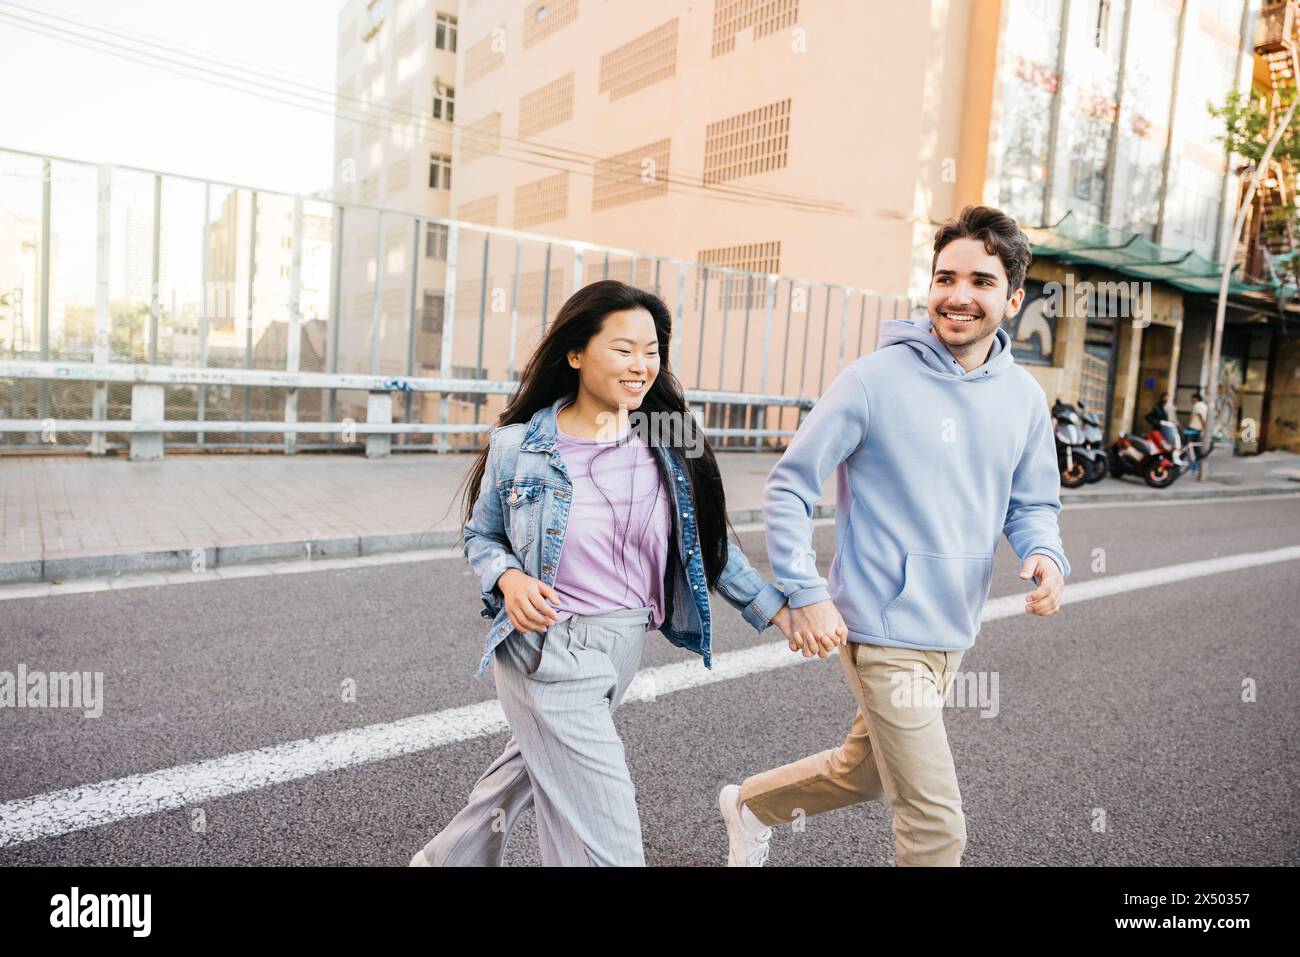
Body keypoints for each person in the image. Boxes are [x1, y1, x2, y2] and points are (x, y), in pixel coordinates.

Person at [717, 205, 1071, 867]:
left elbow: (1031, 502)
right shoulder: (874, 380)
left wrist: (1045, 554)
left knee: (866, 770)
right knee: (937, 829)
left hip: (952, 628)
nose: (958, 295)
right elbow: (790, 485)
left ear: (1013, 298)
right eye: (945, 278)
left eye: (981, 282)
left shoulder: (1022, 397)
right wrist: (806, 590)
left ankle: (749, 806)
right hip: (881, 628)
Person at [410, 279, 792, 867]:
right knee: (606, 834)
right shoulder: (521, 447)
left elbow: (708, 544)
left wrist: (778, 607)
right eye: (623, 349)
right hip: (549, 648)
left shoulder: (668, 436)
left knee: (526, 766)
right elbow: (481, 535)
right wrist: (509, 579)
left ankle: (446, 860)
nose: (641, 365)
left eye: (652, 351)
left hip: (622, 646)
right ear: (576, 353)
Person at [1187, 391, 1208, 473]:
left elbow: (1200, 415)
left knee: (1189, 448)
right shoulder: (1204, 405)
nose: (1191, 400)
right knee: (1195, 448)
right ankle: (1195, 466)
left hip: (1193, 429)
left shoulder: (1197, 405)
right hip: (1197, 429)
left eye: (1191, 399)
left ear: (1195, 399)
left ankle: (1194, 466)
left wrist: (1204, 426)